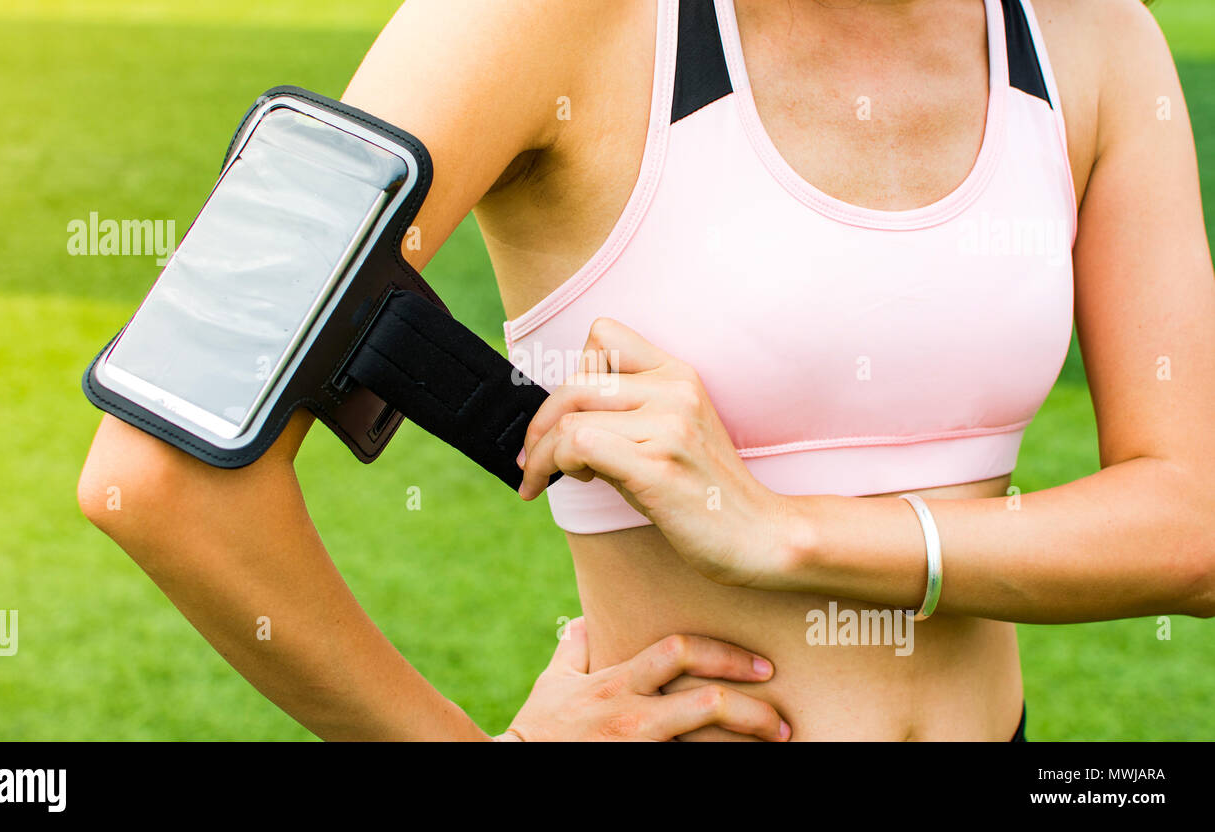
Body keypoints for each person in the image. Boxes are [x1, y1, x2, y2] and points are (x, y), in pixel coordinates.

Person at [80, 0, 1214, 740]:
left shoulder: (1095, 39)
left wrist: (786, 533)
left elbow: (1193, 521)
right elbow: (155, 467)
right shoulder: (531, 21)